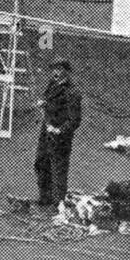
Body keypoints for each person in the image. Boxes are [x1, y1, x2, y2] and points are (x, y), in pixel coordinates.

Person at [34, 60, 82, 211]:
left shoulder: (73, 92)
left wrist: (60, 130)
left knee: (58, 169)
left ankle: (58, 204)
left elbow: (75, 120)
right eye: (53, 69)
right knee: (41, 164)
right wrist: (43, 102)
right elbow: (47, 99)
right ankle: (44, 199)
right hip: (46, 132)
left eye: (59, 69)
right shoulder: (52, 84)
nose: (55, 72)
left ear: (67, 72)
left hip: (60, 138)